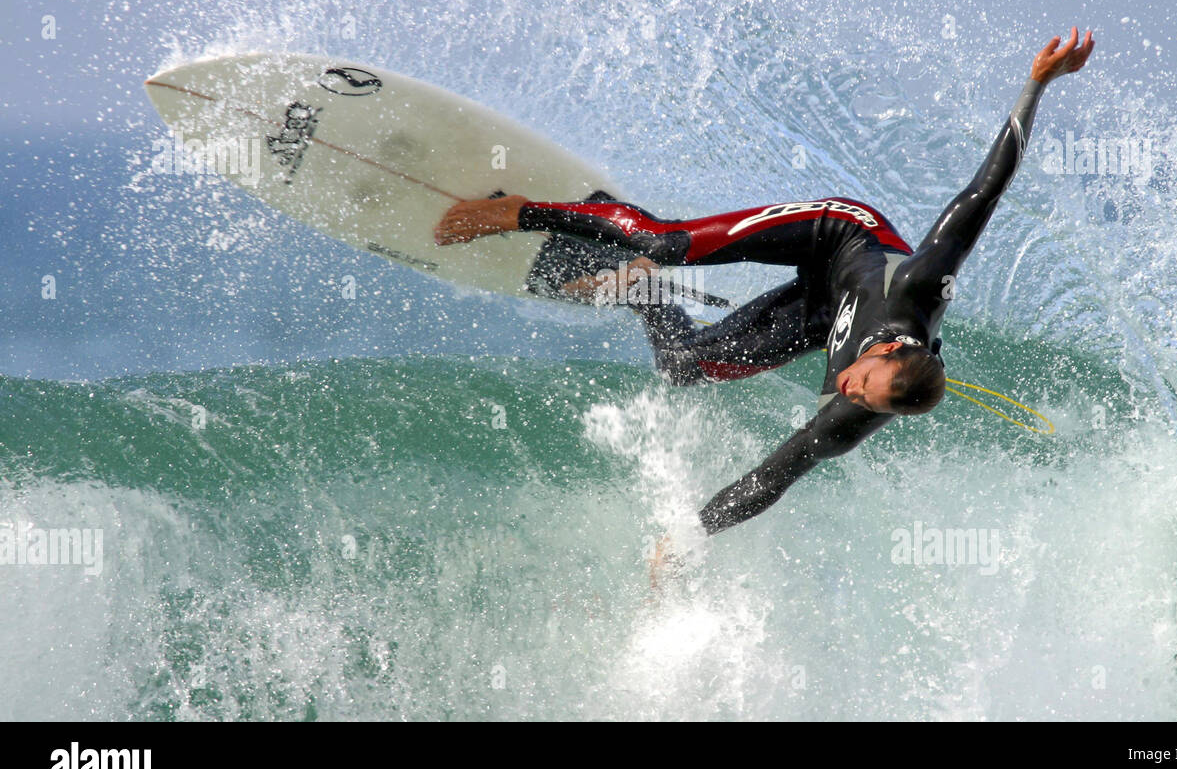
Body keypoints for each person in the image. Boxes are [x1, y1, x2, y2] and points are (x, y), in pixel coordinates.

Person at [435, 27, 1094, 546]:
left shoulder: (854, 415)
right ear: (889, 353)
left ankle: (640, 290)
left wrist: (689, 535)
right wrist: (1035, 87)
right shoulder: (923, 281)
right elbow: (986, 189)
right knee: (669, 242)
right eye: (862, 380)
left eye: (862, 398)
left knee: (683, 367)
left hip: (823, 310)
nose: (847, 388)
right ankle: (514, 211)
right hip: (839, 239)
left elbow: (771, 479)